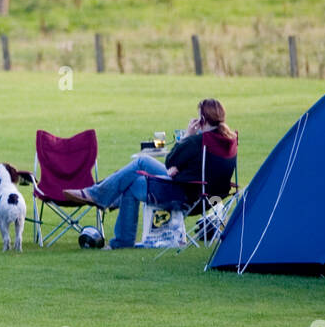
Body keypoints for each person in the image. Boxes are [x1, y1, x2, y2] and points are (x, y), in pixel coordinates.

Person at [66, 98, 237, 249]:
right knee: (141, 163)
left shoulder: (198, 141)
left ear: (202, 119)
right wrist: (180, 170)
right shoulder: (228, 140)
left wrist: (186, 136)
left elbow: (170, 160)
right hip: (206, 197)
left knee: (132, 182)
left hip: (184, 195)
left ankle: (100, 200)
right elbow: (204, 168)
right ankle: (100, 196)